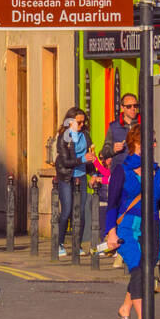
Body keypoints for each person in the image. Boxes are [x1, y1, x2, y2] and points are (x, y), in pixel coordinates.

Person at [104, 123, 160, 319]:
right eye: (152, 141)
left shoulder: (157, 171)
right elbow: (112, 205)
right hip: (128, 228)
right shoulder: (122, 170)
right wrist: (110, 232)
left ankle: (125, 308)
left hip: (153, 227)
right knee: (139, 270)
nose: (155, 144)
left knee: (145, 272)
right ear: (138, 143)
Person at [54, 107, 97, 258]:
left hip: (81, 176)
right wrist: (82, 159)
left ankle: (77, 245)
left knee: (80, 212)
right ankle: (58, 243)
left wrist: (93, 174)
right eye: (78, 123)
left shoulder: (85, 135)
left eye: (83, 123)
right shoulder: (63, 137)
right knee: (67, 211)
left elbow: (91, 156)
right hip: (66, 176)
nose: (81, 125)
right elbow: (65, 161)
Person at [99, 92, 140, 177]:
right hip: (120, 172)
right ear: (122, 108)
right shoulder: (114, 126)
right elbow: (104, 152)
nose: (133, 109)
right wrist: (113, 149)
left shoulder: (143, 124)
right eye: (129, 106)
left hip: (138, 171)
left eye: (135, 106)